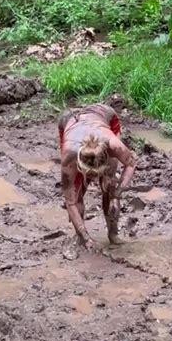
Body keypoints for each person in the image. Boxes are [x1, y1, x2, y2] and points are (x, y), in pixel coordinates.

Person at [58, 103, 136, 248]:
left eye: (96, 173)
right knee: (76, 191)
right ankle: (81, 237)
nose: (93, 178)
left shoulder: (113, 145)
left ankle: (113, 234)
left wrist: (117, 193)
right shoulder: (69, 155)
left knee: (109, 186)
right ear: (79, 163)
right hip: (70, 121)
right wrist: (86, 237)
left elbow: (130, 164)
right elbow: (70, 201)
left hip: (104, 115)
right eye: (90, 174)